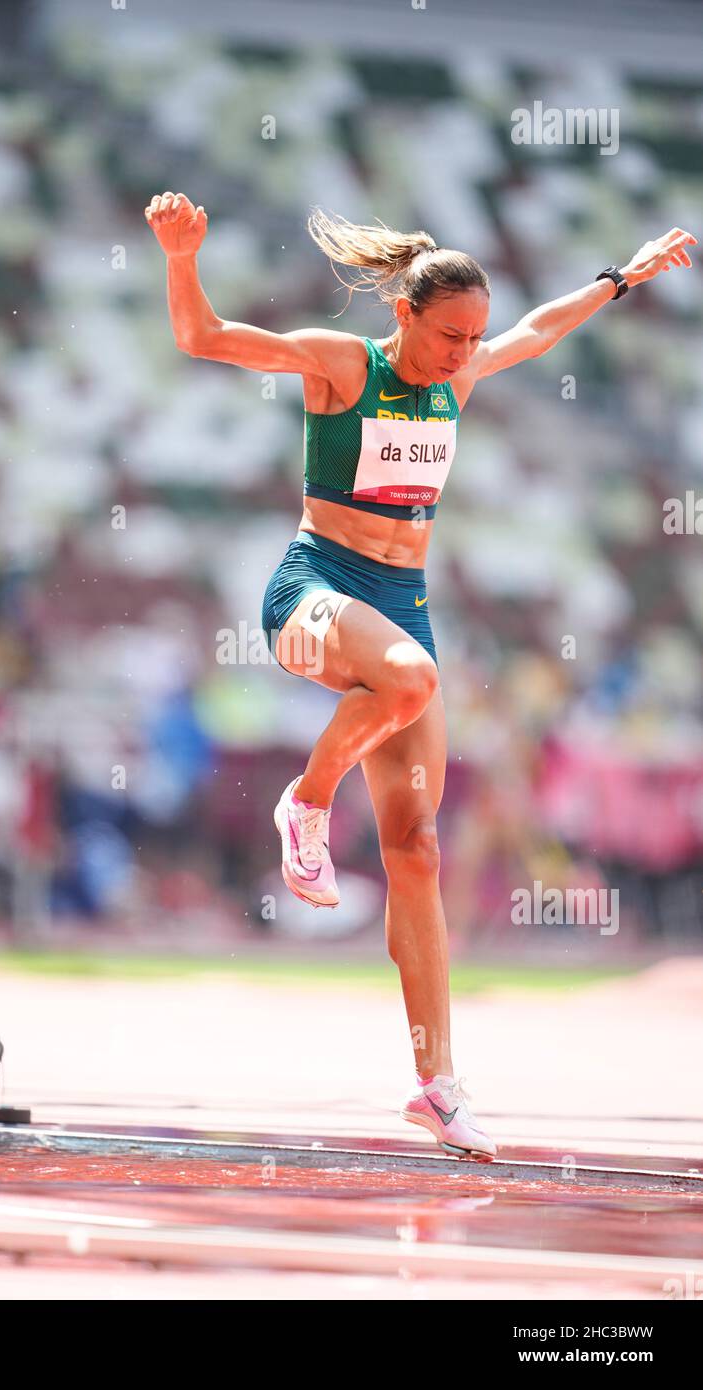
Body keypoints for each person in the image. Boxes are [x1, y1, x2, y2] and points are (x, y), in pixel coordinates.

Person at [146, 191, 695, 1160]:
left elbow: (533, 328)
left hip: (400, 602)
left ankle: (435, 1087)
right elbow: (202, 335)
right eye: (446, 335)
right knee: (408, 682)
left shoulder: (462, 369)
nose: (460, 353)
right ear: (402, 314)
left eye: (469, 338)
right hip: (313, 592)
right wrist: (182, 253)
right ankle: (304, 803)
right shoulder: (340, 362)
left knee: (417, 851)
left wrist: (620, 277)